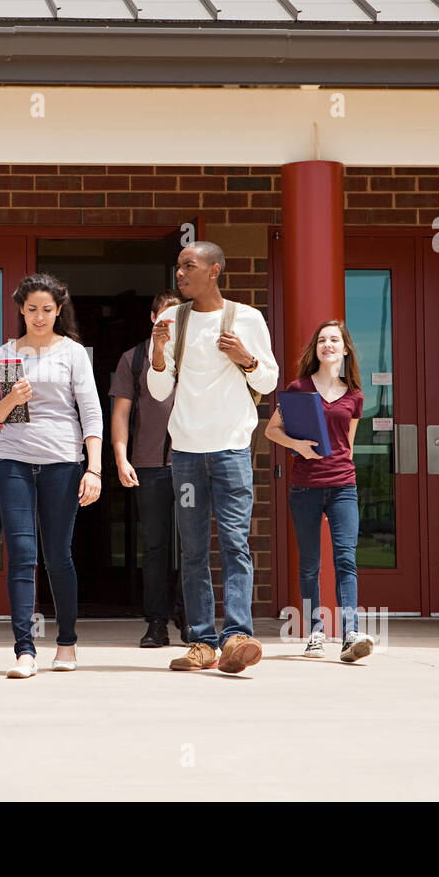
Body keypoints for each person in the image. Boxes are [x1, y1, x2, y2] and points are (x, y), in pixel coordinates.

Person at [147, 241, 278, 673]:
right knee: (193, 549)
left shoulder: (246, 318)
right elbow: (160, 390)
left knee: (236, 544)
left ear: (214, 270)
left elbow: (270, 376)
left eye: (189, 266)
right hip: (185, 453)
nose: (180, 274)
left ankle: (237, 636)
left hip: (231, 451)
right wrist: (158, 354)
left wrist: (244, 357)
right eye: (178, 267)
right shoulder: (171, 319)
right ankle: (201, 642)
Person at [0, 273, 103, 678]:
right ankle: (24, 652)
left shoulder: (72, 353)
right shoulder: (4, 355)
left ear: (58, 311)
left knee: (57, 556)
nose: (38, 316)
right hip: (14, 461)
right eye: (31, 309)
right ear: (20, 309)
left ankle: (66, 643)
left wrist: (95, 468)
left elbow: (91, 411)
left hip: (63, 464)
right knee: (20, 556)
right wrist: (11, 400)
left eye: (47, 310)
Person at [265, 319, 374, 662]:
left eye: (334, 340)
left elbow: (348, 445)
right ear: (316, 350)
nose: (327, 345)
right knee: (310, 563)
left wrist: (338, 466)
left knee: (346, 559)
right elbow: (272, 430)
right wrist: (298, 445)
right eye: (322, 340)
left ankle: (350, 633)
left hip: (343, 486)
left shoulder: (355, 395)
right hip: (305, 488)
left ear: (345, 349)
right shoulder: (298, 389)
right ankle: (314, 632)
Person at [109, 289, 188, 648]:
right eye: (165, 315)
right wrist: (121, 458)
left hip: (191, 463)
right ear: (153, 318)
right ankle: (156, 623)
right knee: (155, 546)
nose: (170, 322)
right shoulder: (134, 358)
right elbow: (121, 414)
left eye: (178, 315)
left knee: (193, 544)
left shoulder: (197, 355)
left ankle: (191, 619)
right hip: (149, 464)